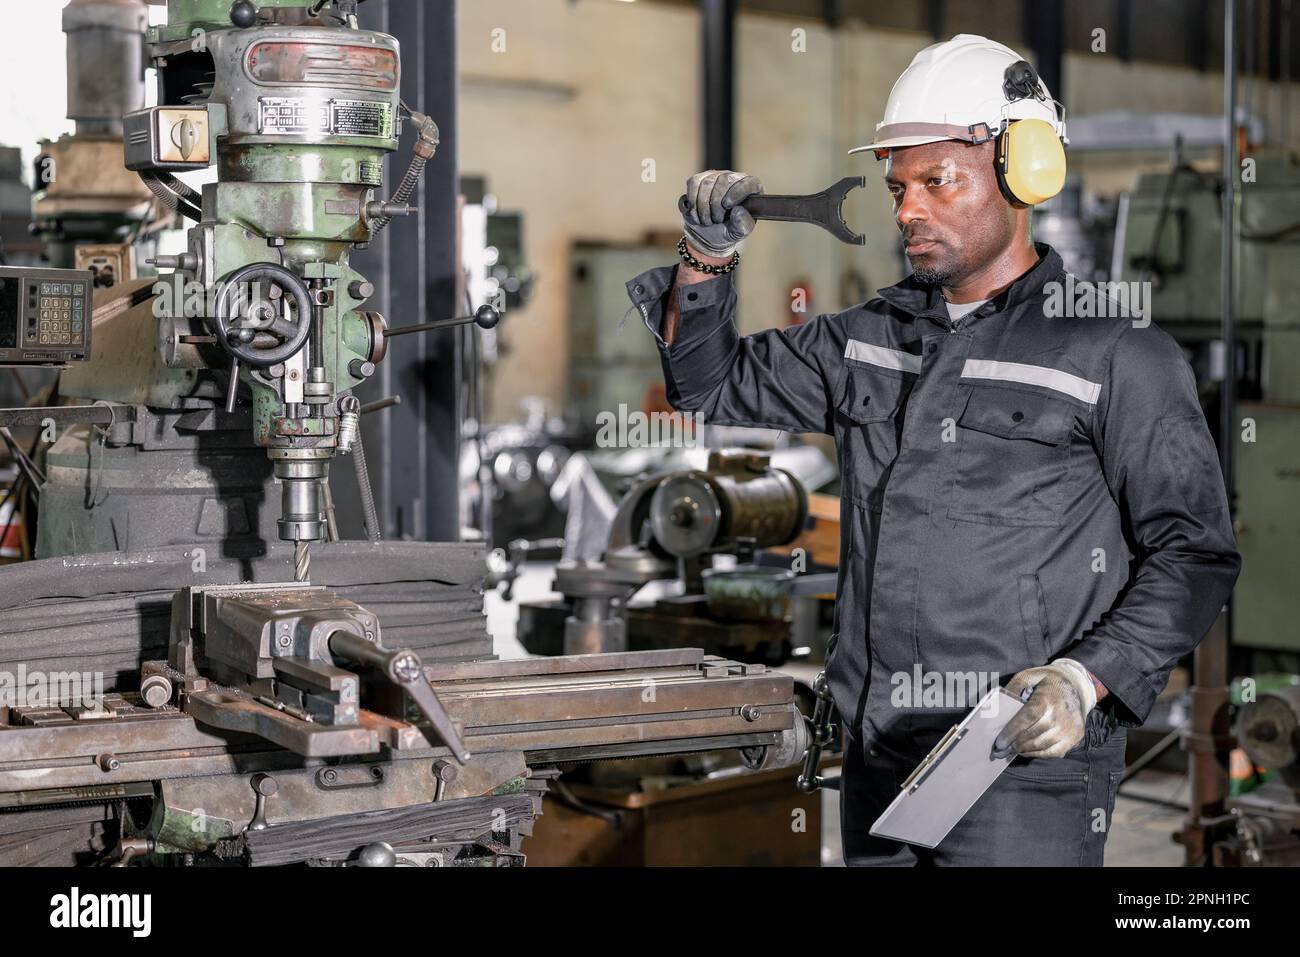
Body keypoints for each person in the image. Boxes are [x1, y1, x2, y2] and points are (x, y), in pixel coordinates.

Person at [624, 34, 1240, 865]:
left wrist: (1084, 678)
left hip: (1024, 768)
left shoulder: (1113, 353)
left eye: (936, 181)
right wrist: (706, 257)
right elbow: (708, 387)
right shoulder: (871, 340)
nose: (909, 208)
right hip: (879, 762)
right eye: (897, 187)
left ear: (1024, 170)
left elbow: (1194, 552)